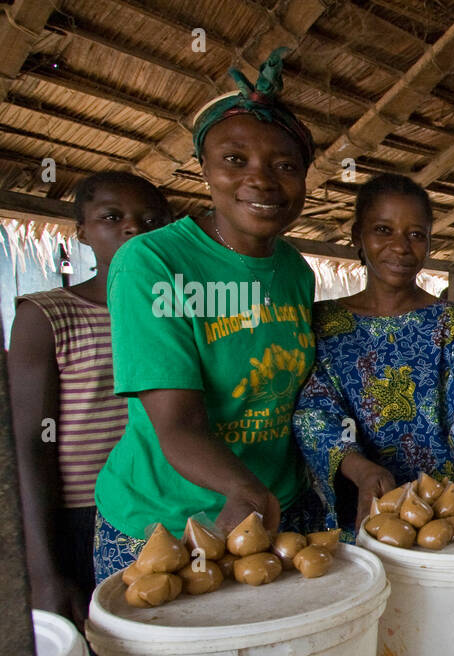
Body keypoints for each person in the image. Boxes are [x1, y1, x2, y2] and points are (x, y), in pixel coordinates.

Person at [93, 48, 322, 582]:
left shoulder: (295, 270)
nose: (261, 181)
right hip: (163, 524)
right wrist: (244, 488)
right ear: (204, 170)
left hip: (276, 506)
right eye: (235, 160)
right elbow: (178, 422)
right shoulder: (152, 263)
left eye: (285, 166)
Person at [294, 175, 454, 533]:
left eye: (416, 234)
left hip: (446, 515)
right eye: (383, 230)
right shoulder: (323, 325)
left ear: (430, 243)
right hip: (362, 513)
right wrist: (361, 468)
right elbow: (315, 413)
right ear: (358, 236)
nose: (400, 246)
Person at [10, 172, 170, 629]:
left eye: (151, 220)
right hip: (80, 515)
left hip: (157, 503)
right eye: (111, 217)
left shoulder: (177, 314)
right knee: (96, 651)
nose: (133, 228)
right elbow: (29, 444)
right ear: (81, 230)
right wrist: (43, 570)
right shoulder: (47, 316)